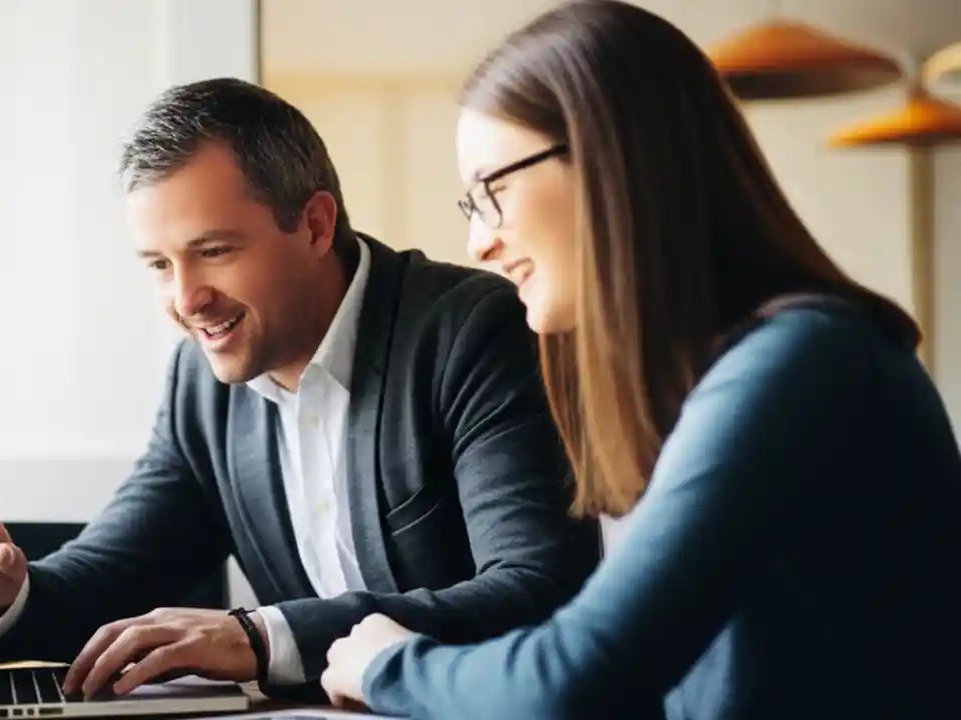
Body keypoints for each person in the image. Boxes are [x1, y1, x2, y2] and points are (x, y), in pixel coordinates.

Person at [319, 2, 961, 717]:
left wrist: (387, 665)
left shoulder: (802, 362)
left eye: (492, 192)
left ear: (607, 160)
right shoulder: (718, 379)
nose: (480, 244)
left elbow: (573, 676)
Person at [0, 77, 600, 700]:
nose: (186, 299)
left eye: (213, 251)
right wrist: (3, 594)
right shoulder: (201, 384)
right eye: (158, 264)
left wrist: (265, 638)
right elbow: (114, 570)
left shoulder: (475, 331)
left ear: (316, 225)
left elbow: (535, 589)